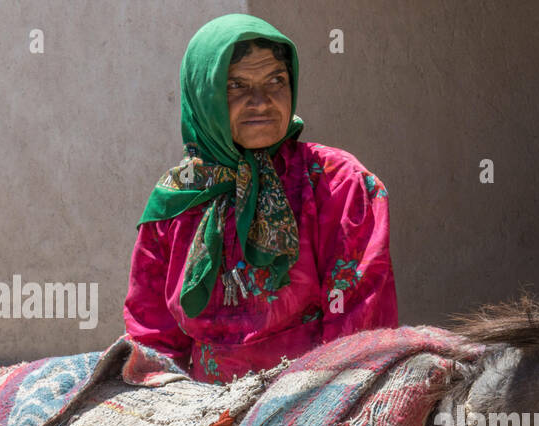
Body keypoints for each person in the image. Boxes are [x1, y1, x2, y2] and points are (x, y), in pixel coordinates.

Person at [124, 14, 398, 383]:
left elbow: (359, 337)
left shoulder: (338, 185)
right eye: (236, 84)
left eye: (276, 81)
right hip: (203, 415)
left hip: (314, 402)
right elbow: (154, 341)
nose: (261, 101)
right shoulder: (177, 201)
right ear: (203, 96)